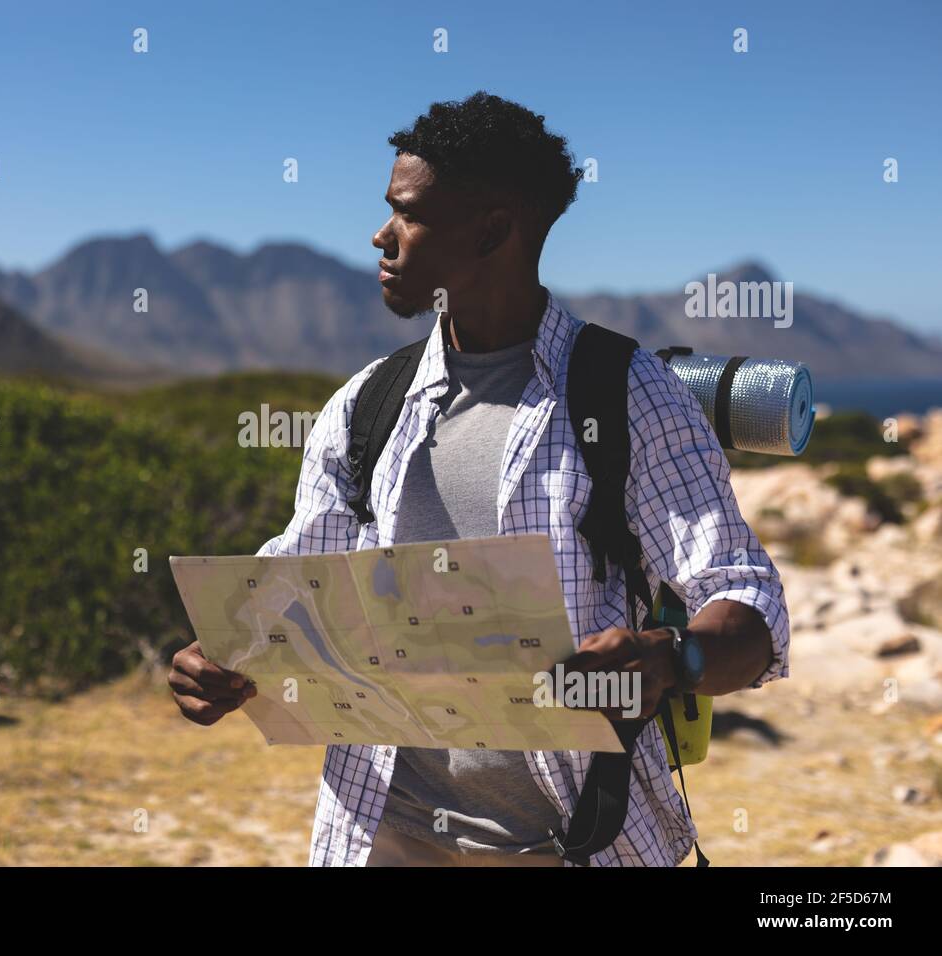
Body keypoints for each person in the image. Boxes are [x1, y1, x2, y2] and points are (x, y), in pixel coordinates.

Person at [168, 91, 790, 867]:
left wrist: (672, 659)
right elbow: (298, 577)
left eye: (408, 214)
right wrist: (224, 654)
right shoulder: (365, 404)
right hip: (377, 831)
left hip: (574, 841)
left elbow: (747, 600)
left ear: (493, 229)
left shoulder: (627, 393)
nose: (381, 235)